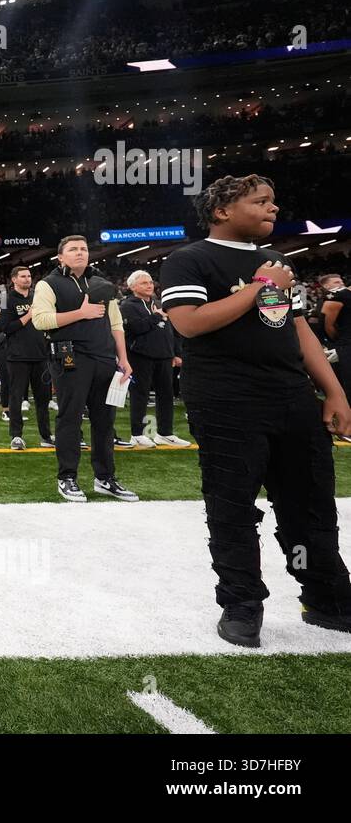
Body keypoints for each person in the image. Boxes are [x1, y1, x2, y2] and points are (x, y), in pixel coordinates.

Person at [161, 174, 351, 645]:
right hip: (226, 399)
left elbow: (297, 329)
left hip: (290, 397)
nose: (272, 208)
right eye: (260, 201)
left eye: (273, 200)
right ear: (222, 210)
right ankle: (242, 603)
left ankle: (323, 595)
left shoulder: (275, 260)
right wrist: (260, 285)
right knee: (233, 508)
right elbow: (189, 323)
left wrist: (333, 390)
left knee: (308, 505)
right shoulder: (189, 259)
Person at [31, 235, 139, 503]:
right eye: (73, 249)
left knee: (105, 421)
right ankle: (66, 477)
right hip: (70, 358)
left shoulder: (102, 283)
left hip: (104, 358)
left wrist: (123, 358)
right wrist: (81, 313)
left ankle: (105, 477)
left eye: (84, 249)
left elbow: (116, 323)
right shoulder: (48, 284)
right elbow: (40, 321)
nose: (80, 253)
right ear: (60, 256)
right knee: (70, 418)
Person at [119, 270, 189, 448]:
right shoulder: (128, 306)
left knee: (166, 395)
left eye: (150, 282)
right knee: (140, 395)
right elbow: (136, 328)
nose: (149, 285)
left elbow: (172, 331)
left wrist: (176, 352)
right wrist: (157, 316)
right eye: (144, 283)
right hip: (140, 357)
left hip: (165, 356)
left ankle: (165, 433)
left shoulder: (159, 303)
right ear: (132, 287)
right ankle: (137, 434)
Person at [0, 266, 53, 449]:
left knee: (43, 399)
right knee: (16, 397)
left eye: (29, 276)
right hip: (17, 356)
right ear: (14, 279)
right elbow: (4, 328)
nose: (27, 279)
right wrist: (29, 315)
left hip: (40, 354)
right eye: (23, 276)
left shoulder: (38, 296)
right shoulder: (6, 299)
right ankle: (16, 436)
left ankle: (46, 436)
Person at [319, 274, 351, 421]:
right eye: (337, 281)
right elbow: (328, 324)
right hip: (345, 346)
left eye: (341, 280)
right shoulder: (338, 295)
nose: (341, 283)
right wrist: (341, 344)